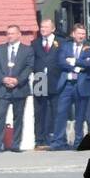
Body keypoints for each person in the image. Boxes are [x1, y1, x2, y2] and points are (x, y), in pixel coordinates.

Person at [0, 25, 34, 153]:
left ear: (19, 35)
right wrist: (4, 79)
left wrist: (17, 80)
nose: (10, 36)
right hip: (2, 88)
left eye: (13, 33)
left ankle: (15, 144)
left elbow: (29, 67)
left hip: (19, 89)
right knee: (0, 116)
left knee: (18, 117)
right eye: (8, 33)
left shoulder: (27, 50)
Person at [49, 24, 90, 150]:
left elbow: (89, 63)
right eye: (79, 33)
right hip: (67, 85)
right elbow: (61, 62)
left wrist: (73, 61)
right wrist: (77, 67)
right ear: (73, 34)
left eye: (83, 34)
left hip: (81, 85)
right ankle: (58, 142)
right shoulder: (65, 46)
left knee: (80, 115)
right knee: (61, 113)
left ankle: (78, 141)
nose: (81, 36)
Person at [31, 19, 63, 150]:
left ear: (53, 29)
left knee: (55, 111)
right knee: (39, 111)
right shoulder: (35, 43)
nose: (42, 29)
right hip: (39, 79)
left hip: (55, 80)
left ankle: (54, 138)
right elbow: (32, 60)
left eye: (46, 27)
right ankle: (39, 139)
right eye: (41, 26)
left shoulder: (61, 42)